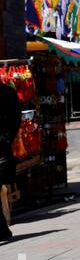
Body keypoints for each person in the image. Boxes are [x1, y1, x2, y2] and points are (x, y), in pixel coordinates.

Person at [0, 80, 20, 241]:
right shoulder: (8, 92)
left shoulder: (7, 93)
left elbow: (14, 121)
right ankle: (2, 229)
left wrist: (5, 142)